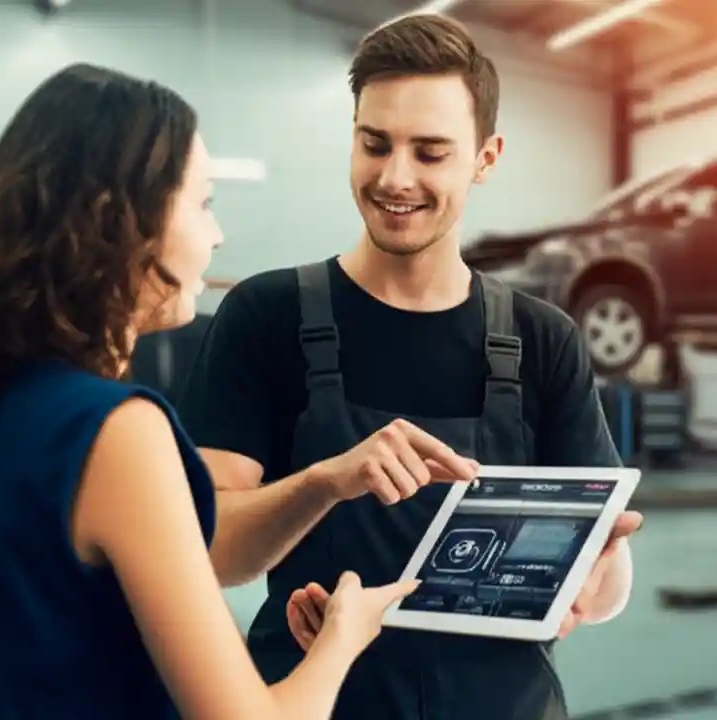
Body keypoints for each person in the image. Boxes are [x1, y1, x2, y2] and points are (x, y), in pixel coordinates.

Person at [0, 62, 423, 720]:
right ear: (122, 222)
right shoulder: (115, 431)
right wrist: (345, 634)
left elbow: (200, 556)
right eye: (203, 203)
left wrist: (323, 482)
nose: (217, 235)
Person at [178, 14, 643, 720]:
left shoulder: (544, 340)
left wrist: (600, 566)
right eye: (375, 144)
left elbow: (605, 595)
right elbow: (211, 552)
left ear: (486, 157)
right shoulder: (264, 316)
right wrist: (325, 483)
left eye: (430, 152)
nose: (395, 178)